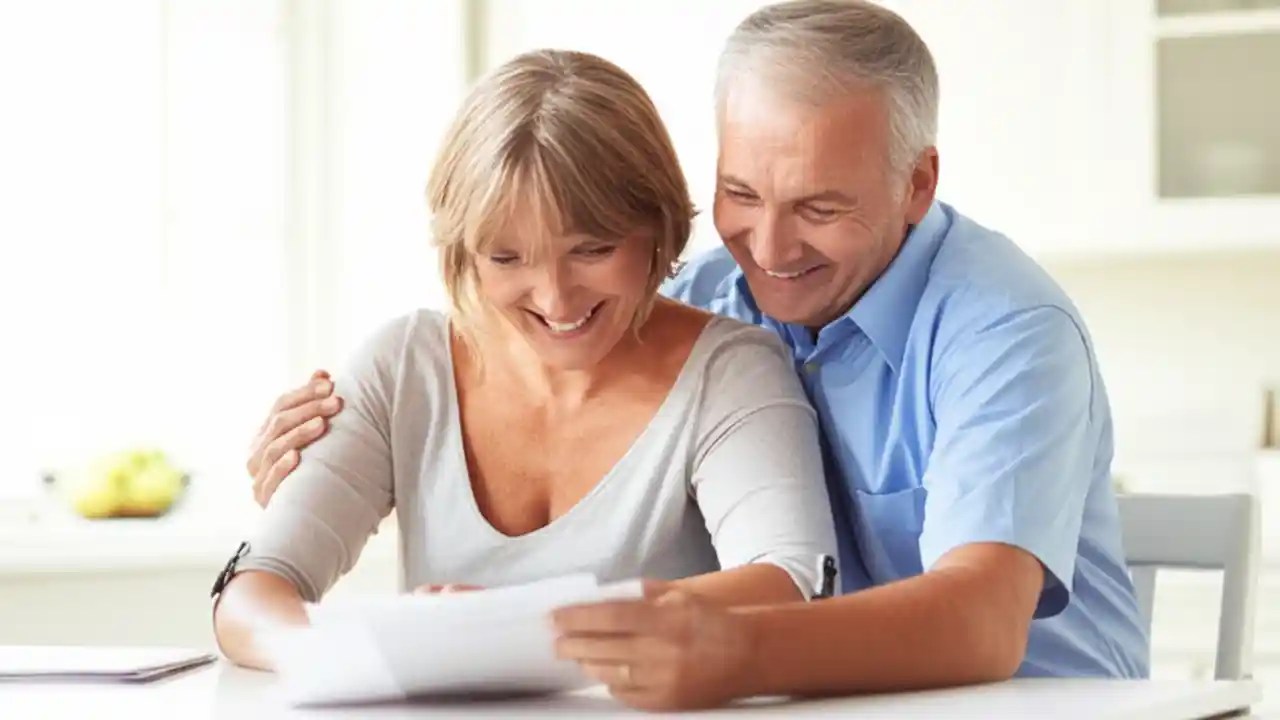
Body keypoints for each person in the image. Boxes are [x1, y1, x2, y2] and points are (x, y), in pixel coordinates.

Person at [249, 0, 1151, 710]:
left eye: (821, 208)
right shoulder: (701, 297)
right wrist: (319, 457)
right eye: (740, 192)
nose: (769, 244)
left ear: (917, 182)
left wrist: (721, 644)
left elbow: (984, 625)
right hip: (830, 702)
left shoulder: (1004, 329)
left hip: (1038, 703)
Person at [213, 48, 837, 672]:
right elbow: (251, 590)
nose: (555, 297)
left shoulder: (731, 373)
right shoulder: (405, 367)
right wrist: (363, 647)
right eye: (507, 259)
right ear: (464, 251)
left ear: (659, 225)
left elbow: (791, 583)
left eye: (592, 249)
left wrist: (515, 631)